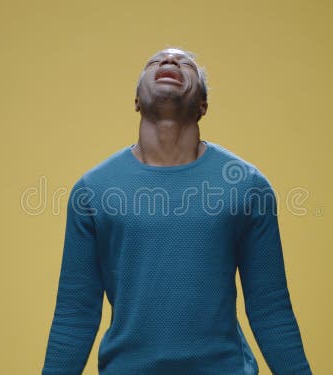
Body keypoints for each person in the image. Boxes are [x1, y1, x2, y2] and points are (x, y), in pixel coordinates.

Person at [41, 47, 314, 375]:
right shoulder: (93, 191)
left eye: (186, 63)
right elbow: (75, 316)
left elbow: (271, 311)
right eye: (154, 61)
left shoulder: (247, 186)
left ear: (203, 105)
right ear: (137, 101)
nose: (169, 61)